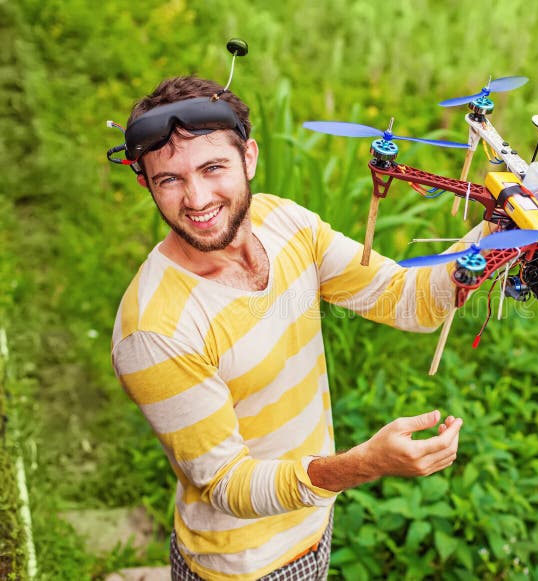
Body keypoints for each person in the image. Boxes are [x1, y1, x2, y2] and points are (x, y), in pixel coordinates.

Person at [109, 75, 472, 580]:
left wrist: (493, 240)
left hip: (314, 515)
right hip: (243, 564)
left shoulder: (284, 222)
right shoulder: (153, 331)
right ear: (145, 181)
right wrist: (361, 465)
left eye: (213, 168)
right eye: (169, 179)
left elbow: (406, 300)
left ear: (249, 158)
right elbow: (228, 484)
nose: (196, 198)